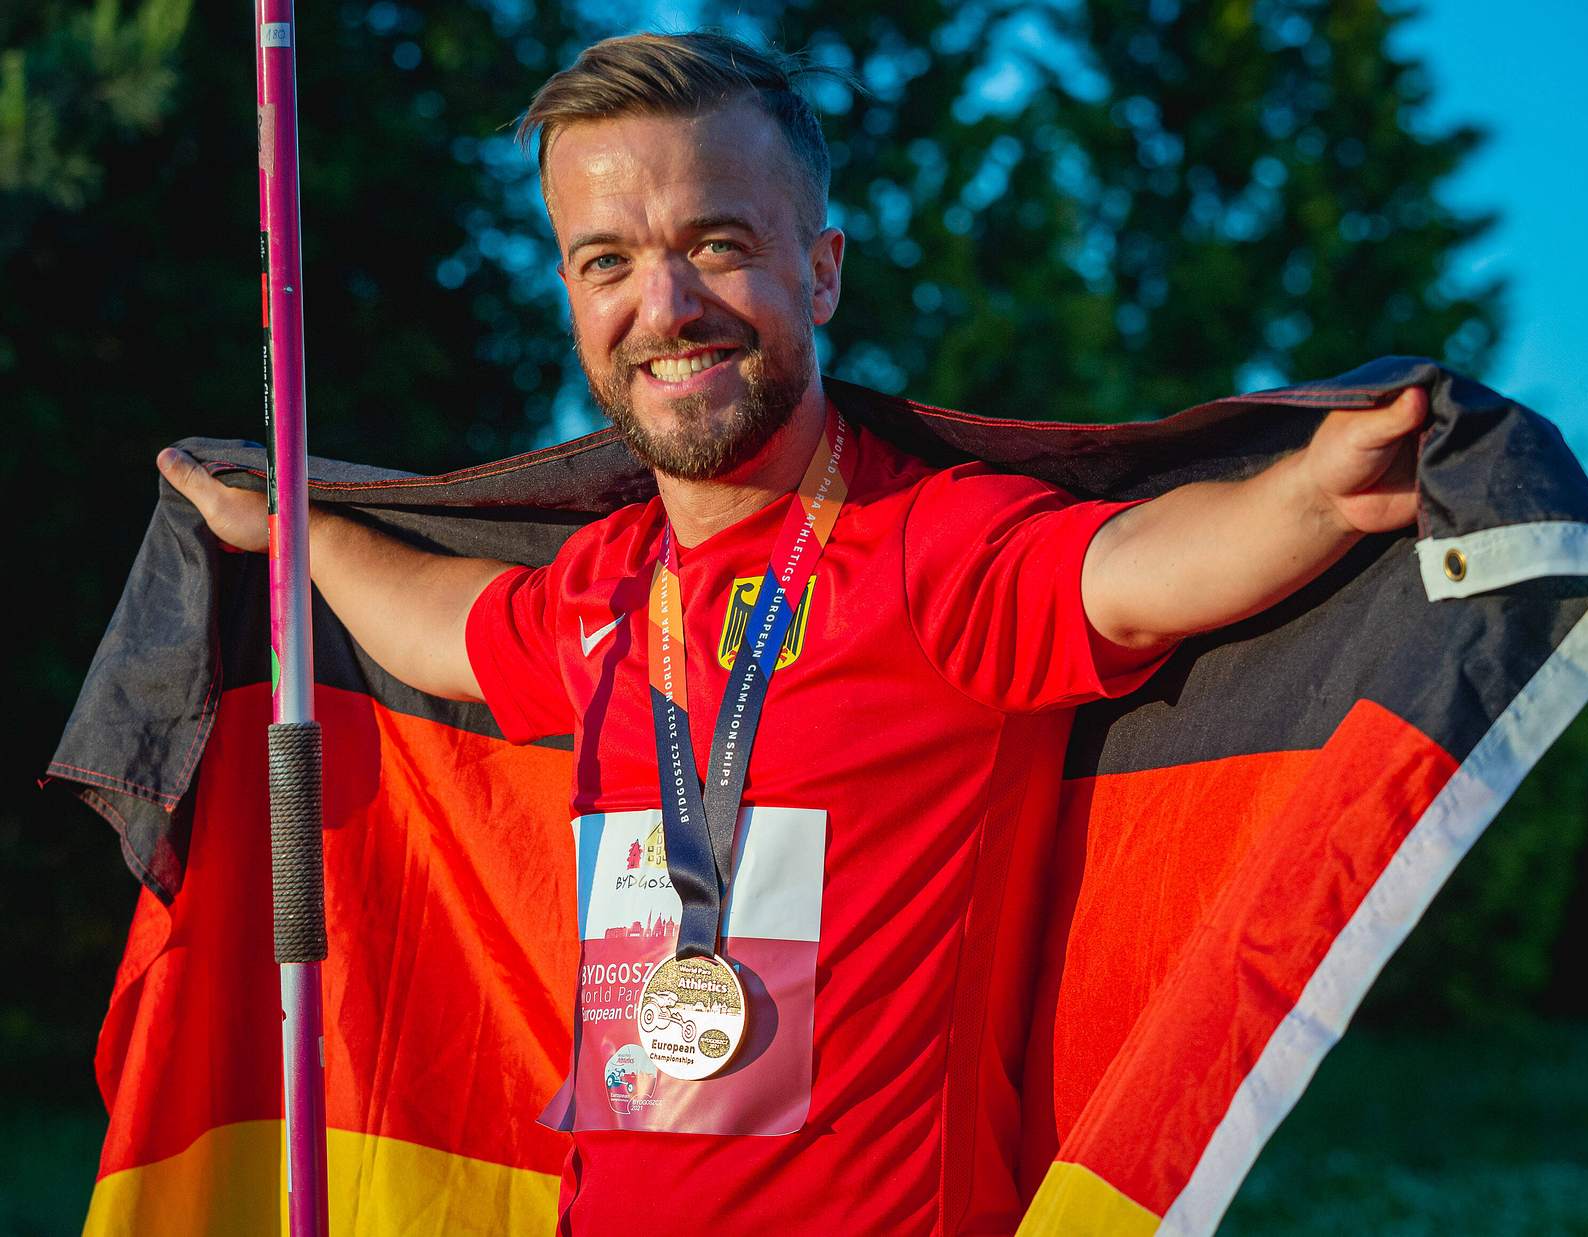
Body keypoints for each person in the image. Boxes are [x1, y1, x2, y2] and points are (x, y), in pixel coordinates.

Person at [156, 30, 1427, 1237]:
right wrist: (299, 537)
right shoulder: (608, 589)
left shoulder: (933, 549)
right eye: (606, 260)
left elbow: (1132, 573)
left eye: (714, 244)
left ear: (820, 270)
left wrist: (1311, 496)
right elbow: (447, 636)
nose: (662, 305)